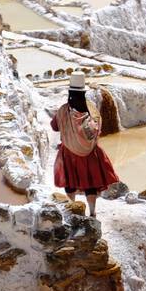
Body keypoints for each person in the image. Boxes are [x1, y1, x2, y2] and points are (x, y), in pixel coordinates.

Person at [50, 73, 119, 218]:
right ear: (83, 93)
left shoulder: (63, 110)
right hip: (90, 154)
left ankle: (72, 209)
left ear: (70, 93)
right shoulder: (92, 109)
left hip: (68, 153)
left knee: (70, 182)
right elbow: (98, 129)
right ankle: (93, 212)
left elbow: (54, 126)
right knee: (90, 183)